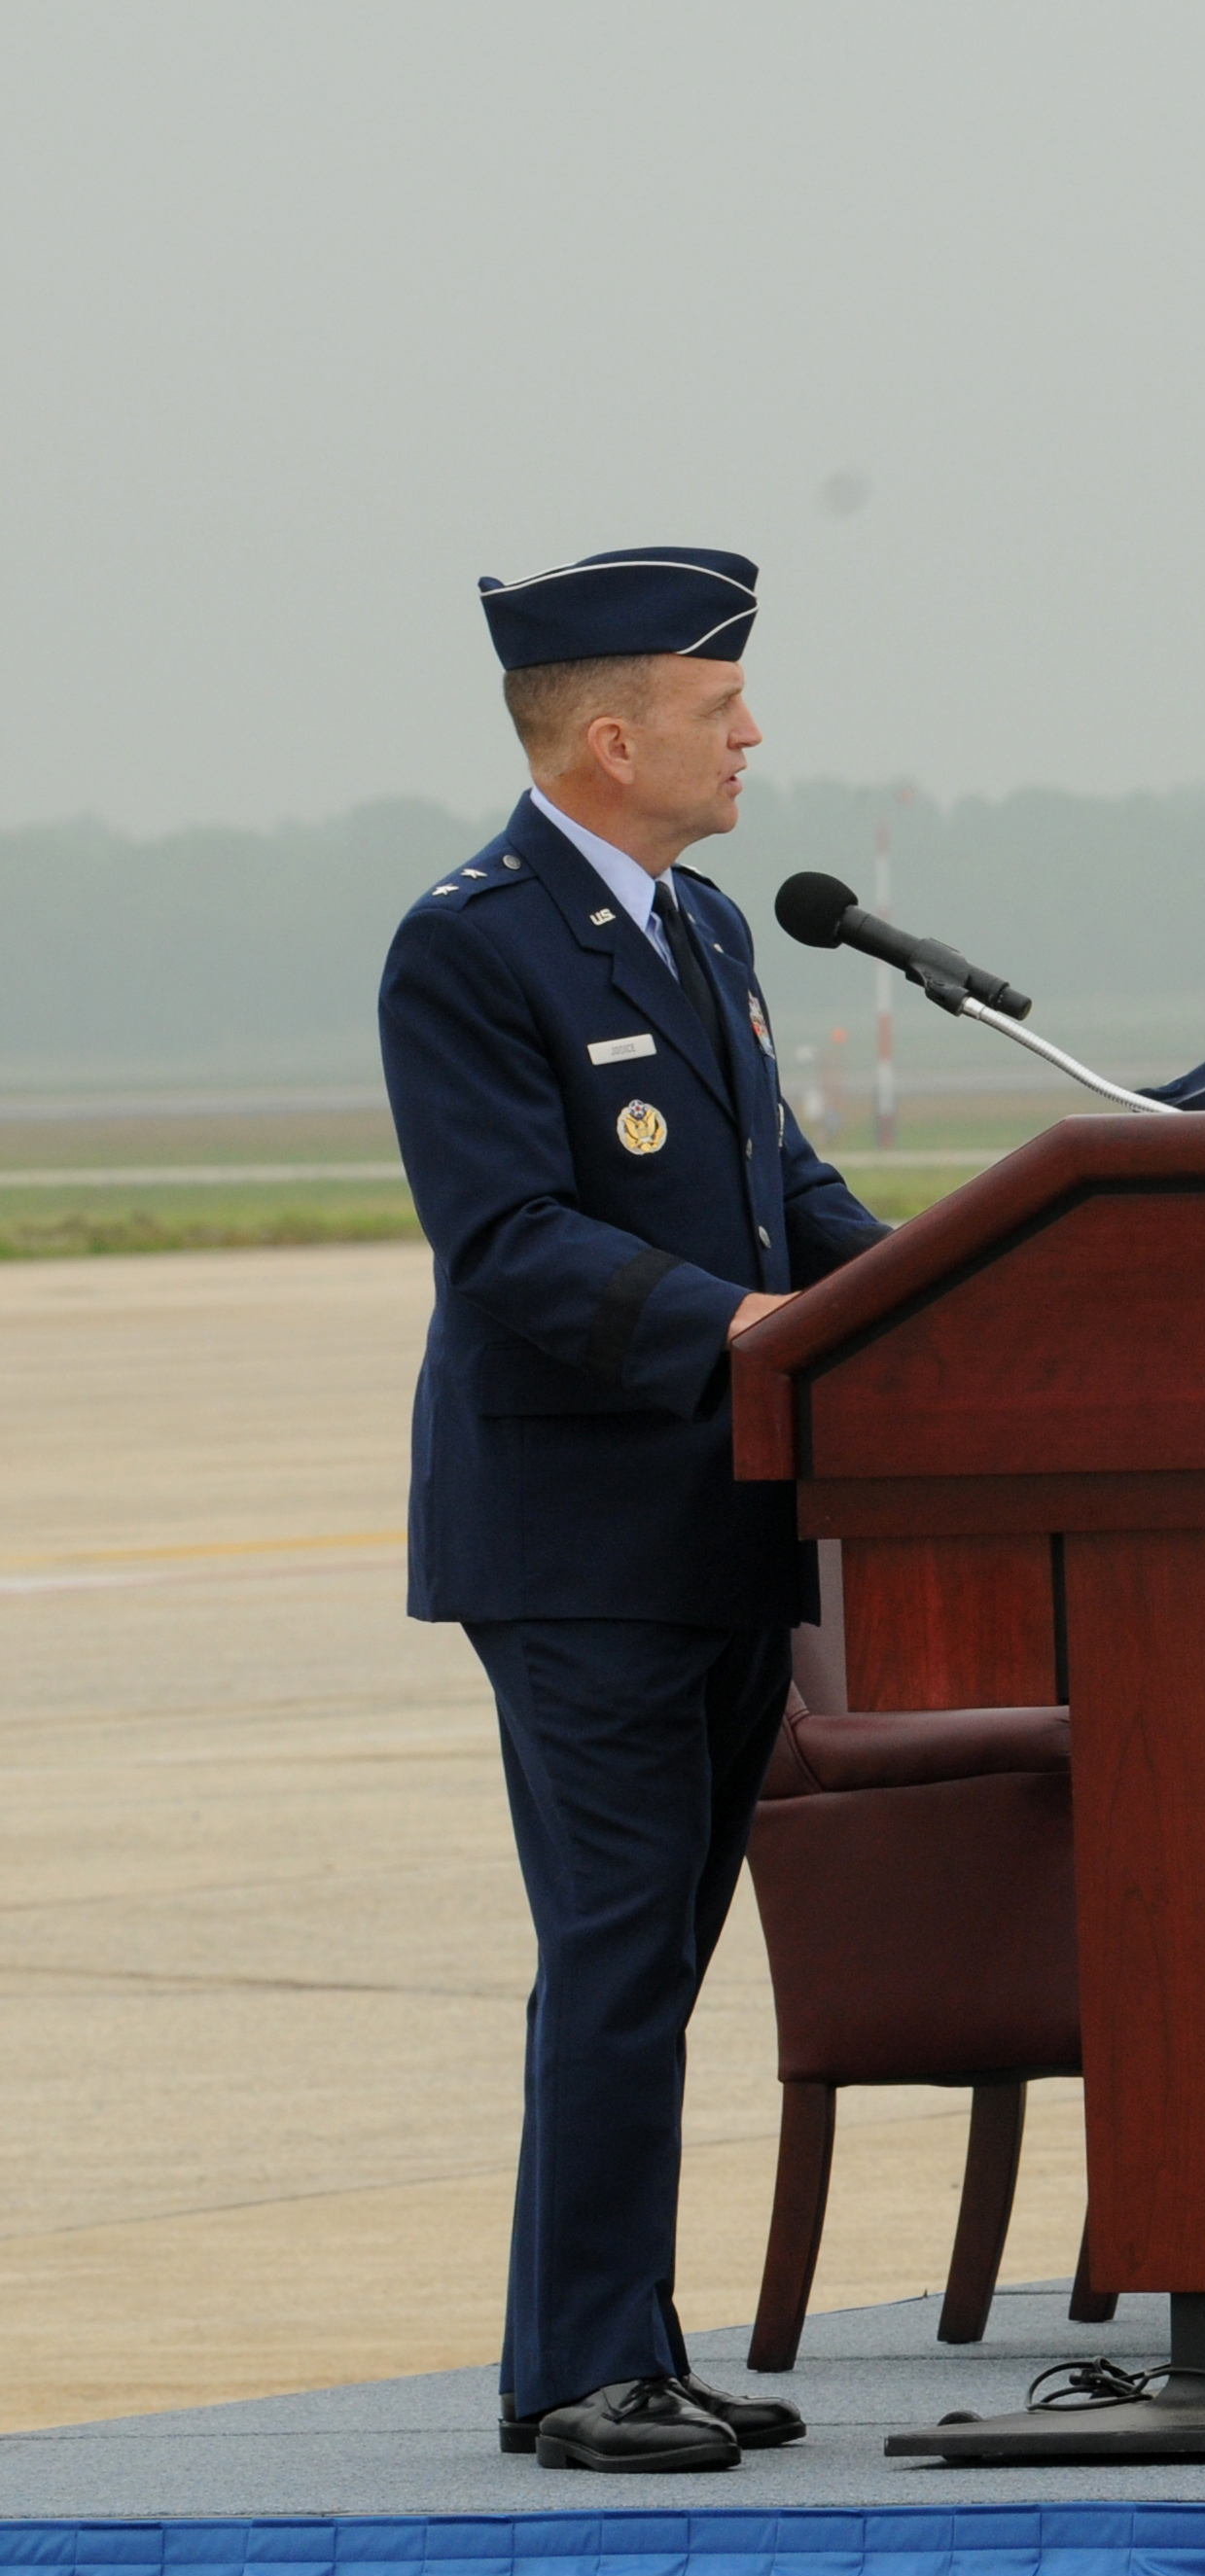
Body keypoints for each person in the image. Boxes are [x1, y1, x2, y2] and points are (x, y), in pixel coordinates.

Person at [380, 547, 891, 2471]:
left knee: (660, 1956)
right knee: (612, 1950)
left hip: (727, 1530)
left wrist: (952, 1298)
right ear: (612, 734)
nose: (751, 732)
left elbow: (793, 1193)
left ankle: (627, 2343)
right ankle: (575, 2369)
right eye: (717, 706)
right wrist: (753, 1325)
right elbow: (509, 1243)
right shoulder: (474, 942)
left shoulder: (710, 930)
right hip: (579, 1540)